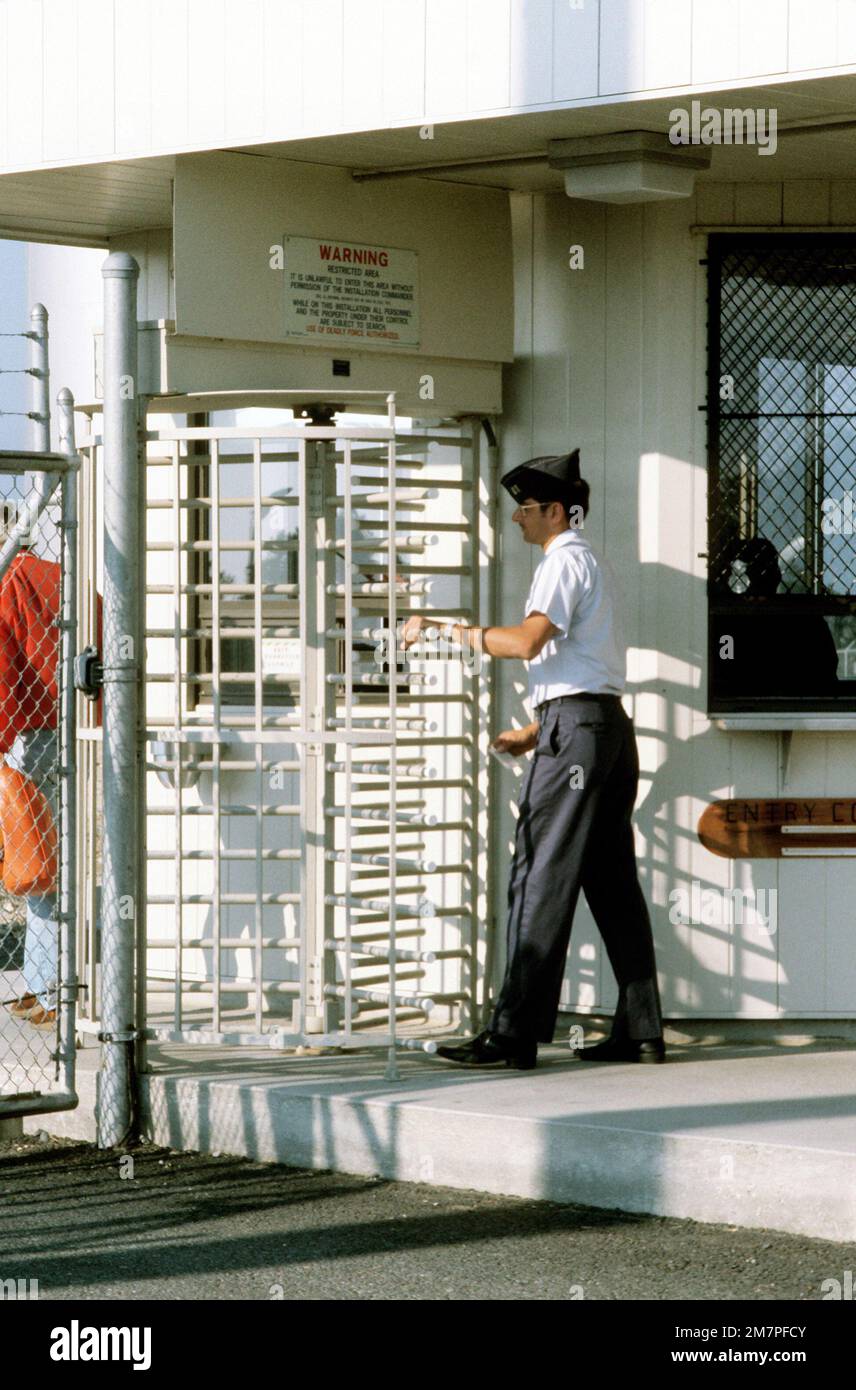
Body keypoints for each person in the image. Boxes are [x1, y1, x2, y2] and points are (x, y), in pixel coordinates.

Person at [402, 449, 665, 1069]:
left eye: (525, 508)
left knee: (539, 873)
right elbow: (583, 672)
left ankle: (513, 1034)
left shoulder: (563, 561)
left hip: (576, 734)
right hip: (604, 733)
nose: (517, 519)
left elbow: (526, 643)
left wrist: (447, 631)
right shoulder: (589, 563)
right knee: (612, 884)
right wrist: (534, 728)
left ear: (554, 510)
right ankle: (641, 1030)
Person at [0, 505, 64, 1028]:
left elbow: (1, 673)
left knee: (35, 867)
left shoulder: (5, 588)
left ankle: (50, 989)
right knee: (48, 864)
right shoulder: (57, 580)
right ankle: (42, 980)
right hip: (72, 727)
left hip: (24, 736)